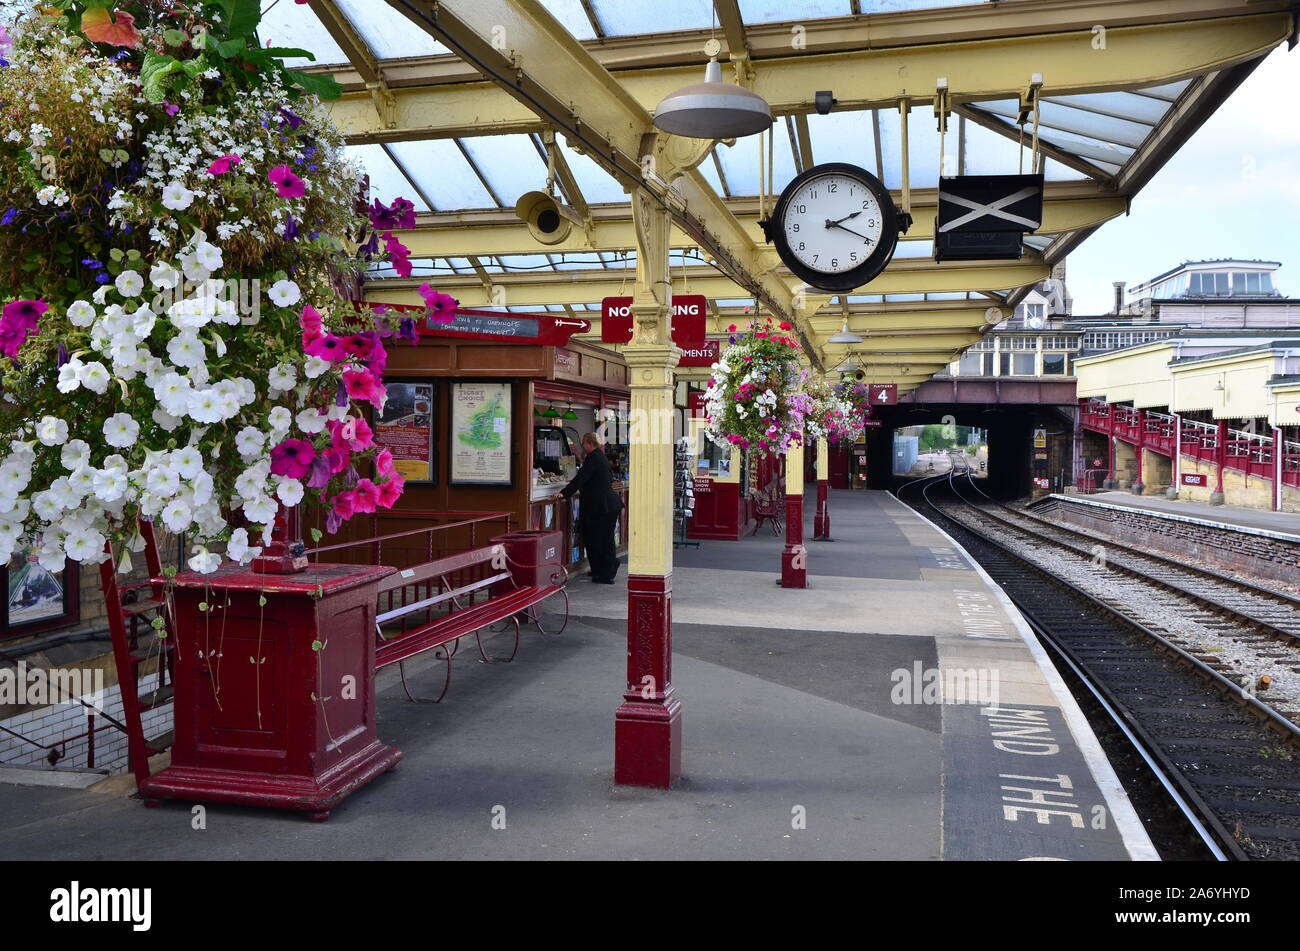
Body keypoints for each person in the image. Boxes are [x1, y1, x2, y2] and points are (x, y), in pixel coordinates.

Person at [555, 432, 623, 584]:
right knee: (602, 538)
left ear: (591, 444)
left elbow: (581, 478)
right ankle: (602, 568)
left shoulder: (594, 458)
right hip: (607, 505)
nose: (583, 446)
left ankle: (607, 571)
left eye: (584, 443)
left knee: (599, 538)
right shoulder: (599, 457)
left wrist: (564, 493)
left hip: (601, 507)